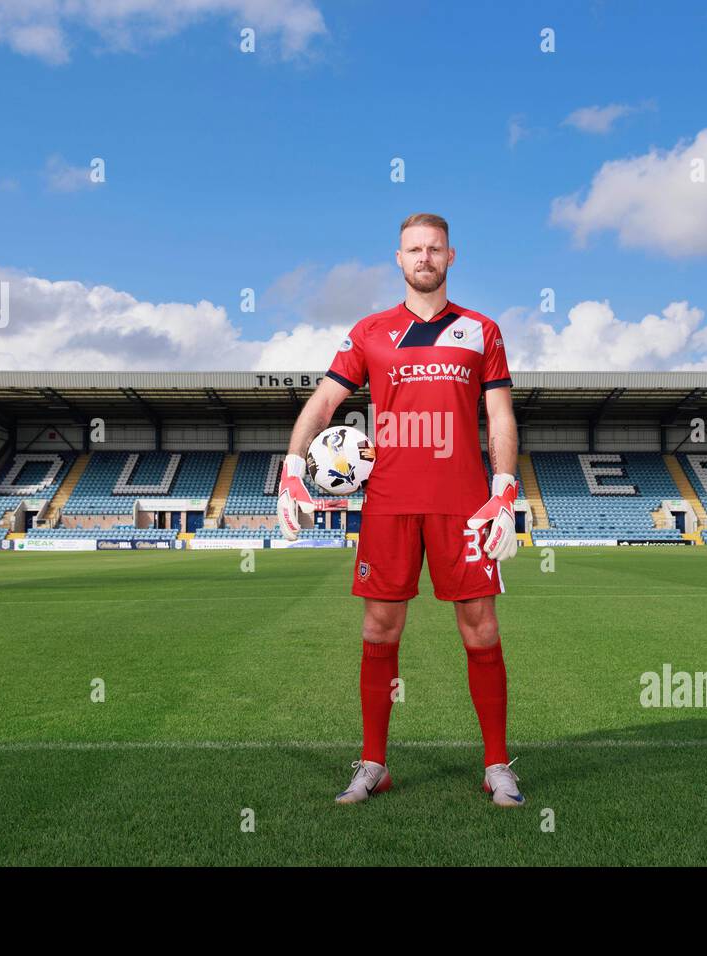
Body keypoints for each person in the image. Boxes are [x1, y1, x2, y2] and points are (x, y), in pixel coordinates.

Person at [276, 213, 524, 807]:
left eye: (434, 248)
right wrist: (291, 465)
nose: (424, 257)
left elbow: (501, 416)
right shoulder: (368, 332)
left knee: (481, 628)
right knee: (379, 628)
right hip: (387, 502)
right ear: (398, 258)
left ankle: (496, 765)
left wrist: (505, 487)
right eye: (414, 249)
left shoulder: (481, 330)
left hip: (463, 503)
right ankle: (373, 763)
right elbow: (324, 401)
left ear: (451, 256)